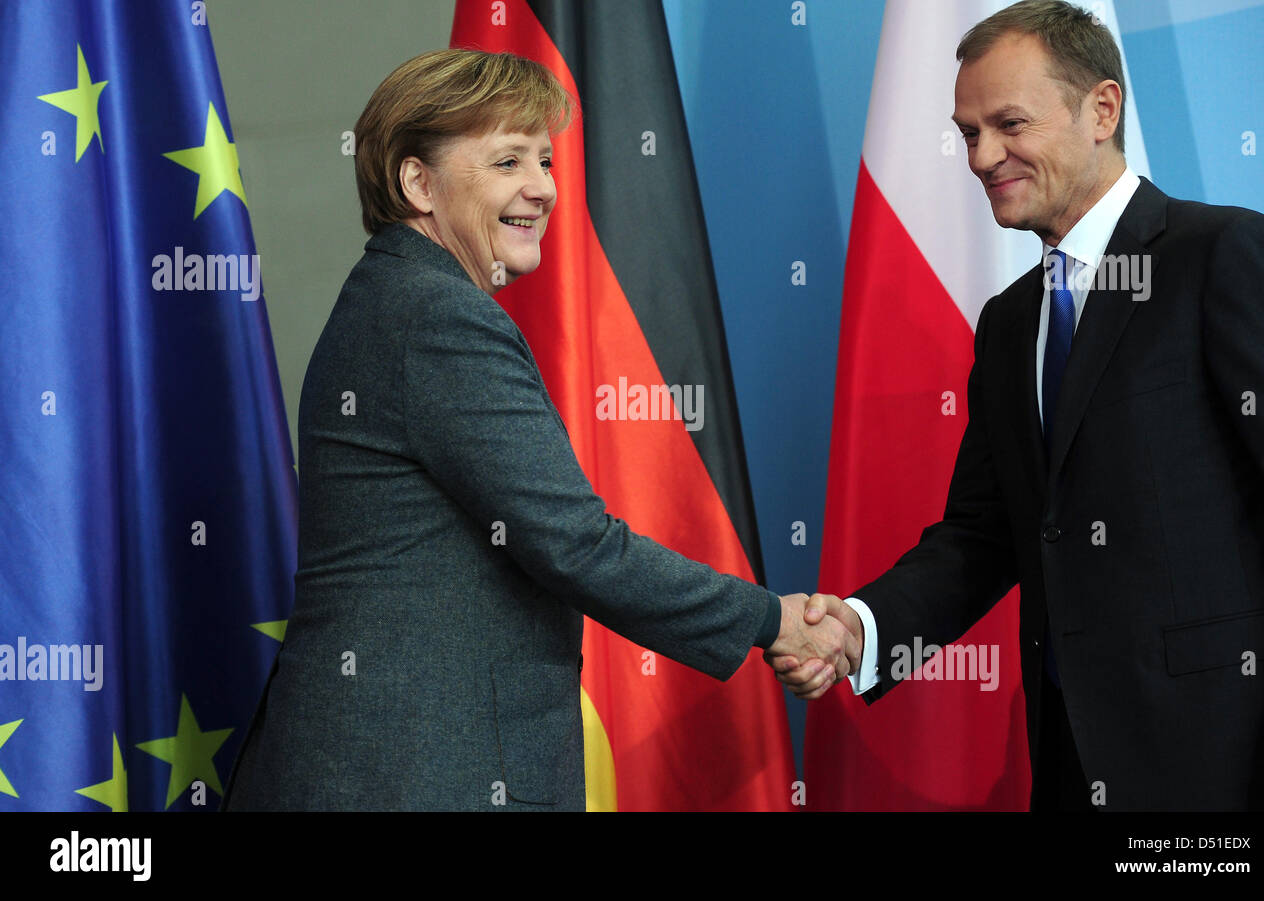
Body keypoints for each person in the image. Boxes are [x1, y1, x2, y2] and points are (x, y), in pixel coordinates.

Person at [221, 49, 855, 811]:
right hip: (412, 778)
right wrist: (773, 619)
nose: (543, 187)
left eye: (546, 159)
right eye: (507, 161)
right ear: (417, 183)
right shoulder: (436, 315)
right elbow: (576, 543)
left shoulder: (395, 296)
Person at [769, 0, 1264, 811]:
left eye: (1008, 123)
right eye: (968, 131)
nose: (982, 156)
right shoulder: (1012, 319)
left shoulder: (1224, 256)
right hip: (1069, 760)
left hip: (1227, 762)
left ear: (1102, 109)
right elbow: (985, 534)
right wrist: (860, 629)